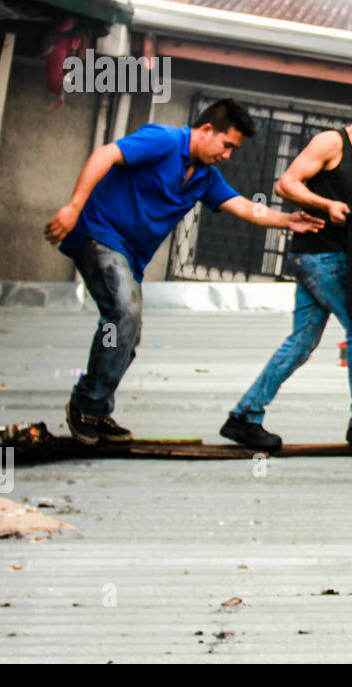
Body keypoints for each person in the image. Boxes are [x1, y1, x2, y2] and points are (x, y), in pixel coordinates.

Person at [44, 98, 324, 445]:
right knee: (123, 311)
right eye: (226, 145)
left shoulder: (205, 177)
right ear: (206, 130)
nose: (227, 155)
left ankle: (97, 409)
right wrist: (73, 206)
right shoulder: (163, 140)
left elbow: (244, 207)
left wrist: (287, 220)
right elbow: (106, 155)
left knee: (127, 333)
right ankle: (85, 405)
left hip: (130, 256)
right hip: (98, 233)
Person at [221, 75, 352, 452]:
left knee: (302, 341)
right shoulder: (331, 142)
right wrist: (324, 205)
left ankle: (244, 417)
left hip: (346, 255)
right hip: (317, 254)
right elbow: (286, 184)